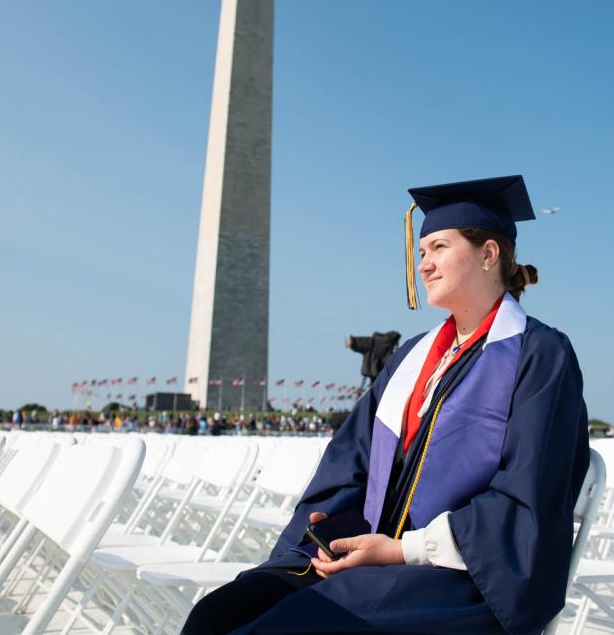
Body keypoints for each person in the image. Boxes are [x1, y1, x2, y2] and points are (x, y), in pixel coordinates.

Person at [181, 175, 589, 635]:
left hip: (462, 578)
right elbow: (351, 459)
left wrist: (399, 550)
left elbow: (526, 497)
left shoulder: (539, 354)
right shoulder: (412, 358)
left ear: (488, 254)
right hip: (373, 555)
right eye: (421, 253)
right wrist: (333, 527)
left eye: (438, 247)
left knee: (284, 627)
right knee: (218, 615)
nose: (425, 265)